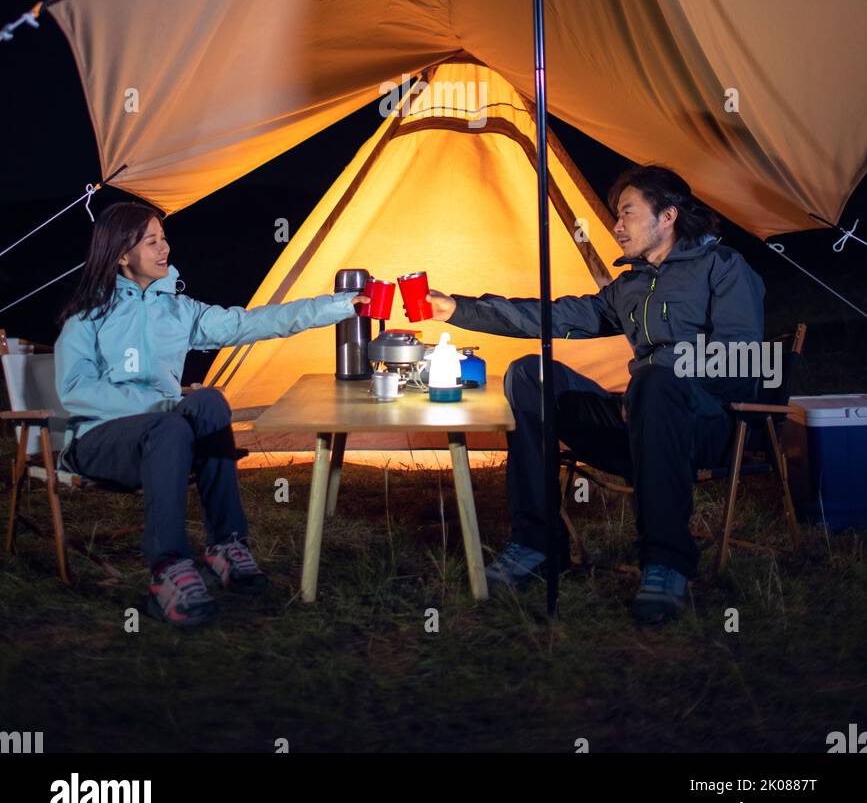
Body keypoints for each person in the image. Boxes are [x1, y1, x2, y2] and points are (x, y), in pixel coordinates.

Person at [426, 165, 766, 623]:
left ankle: (666, 563)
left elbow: (739, 354)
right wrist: (458, 309)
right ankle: (537, 544)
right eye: (616, 216)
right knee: (530, 374)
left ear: (667, 216)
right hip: (637, 421)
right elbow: (549, 315)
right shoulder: (629, 286)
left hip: (706, 425)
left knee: (655, 381)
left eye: (627, 213)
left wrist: (659, 377)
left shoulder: (724, 268)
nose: (616, 226)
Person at [54, 202, 368, 629]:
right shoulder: (88, 317)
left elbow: (253, 323)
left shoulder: (178, 312)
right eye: (152, 241)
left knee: (210, 402)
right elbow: (75, 391)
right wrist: (161, 407)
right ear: (121, 254)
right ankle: (168, 570)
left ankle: (226, 544)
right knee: (170, 422)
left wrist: (340, 306)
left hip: (165, 435)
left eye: (164, 238)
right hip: (100, 440)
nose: (165, 248)